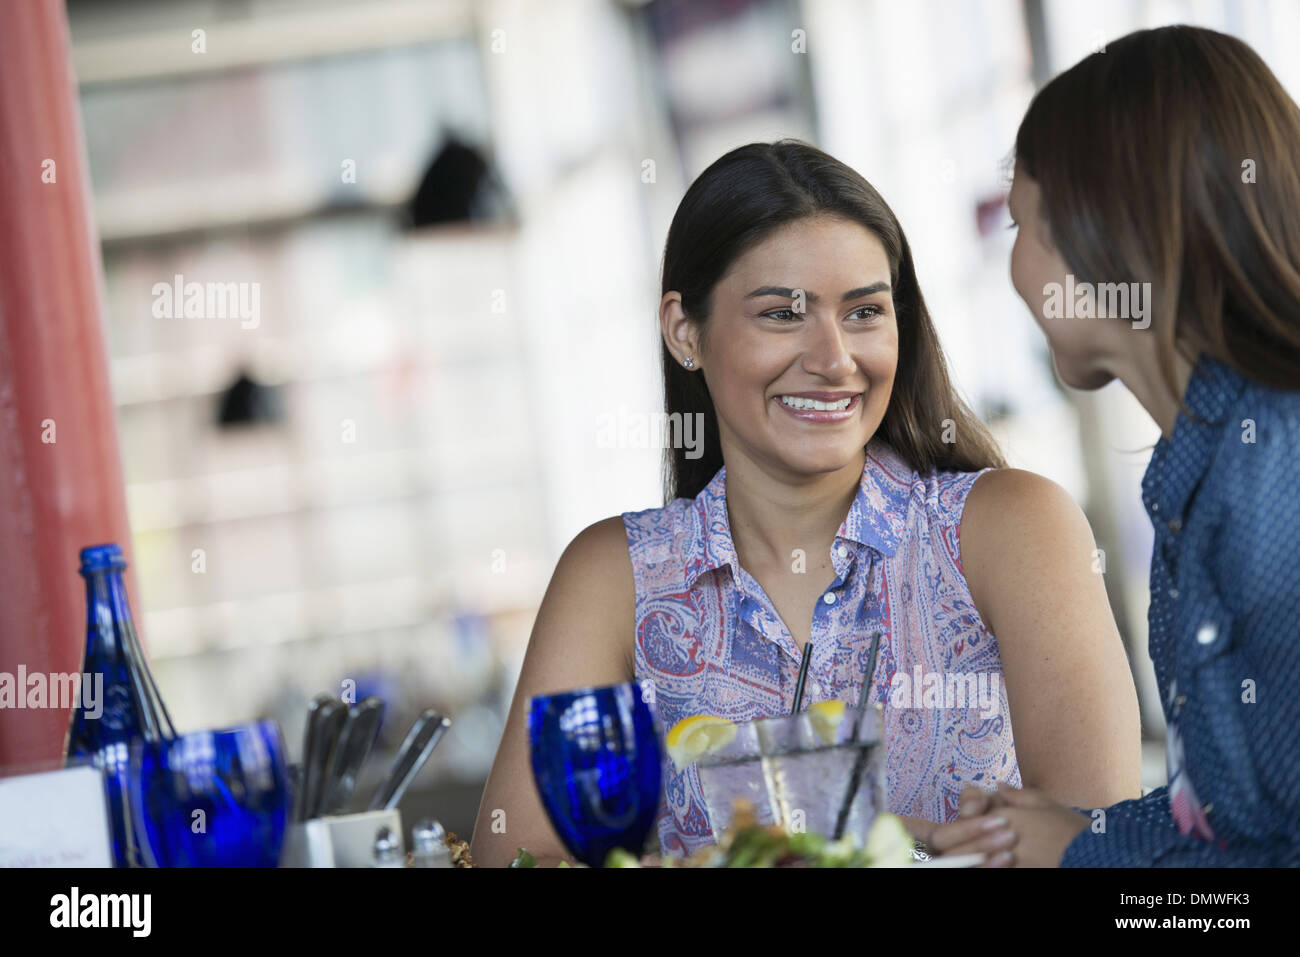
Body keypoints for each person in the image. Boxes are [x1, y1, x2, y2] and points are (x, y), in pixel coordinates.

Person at [470, 139, 1141, 868]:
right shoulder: (615, 577)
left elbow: (1100, 844)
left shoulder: (1009, 527)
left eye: (863, 313)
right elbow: (520, 857)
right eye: (783, 315)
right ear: (684, 331)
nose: (832, 359)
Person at [924, 25, 1300, 867]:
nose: (1012, 268)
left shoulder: (1274, 478)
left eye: (1022, 222)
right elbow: (1234, 828)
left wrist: (1090, 863)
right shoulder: (1201, 470)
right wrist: (1069, 837)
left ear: (1104, 228)